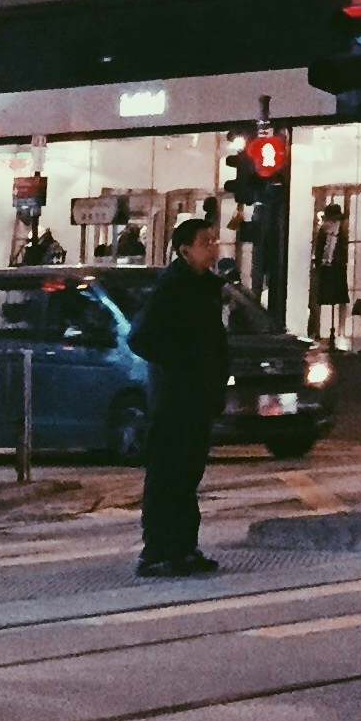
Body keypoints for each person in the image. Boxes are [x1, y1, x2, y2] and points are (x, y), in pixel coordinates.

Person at [128, 216, 230, 579]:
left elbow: (215, 345)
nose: (213, 248)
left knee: (188, 476)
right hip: (173, 400)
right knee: (166, 475)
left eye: (215, 241)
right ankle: (157, 550)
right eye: (206, 242)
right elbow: (139, 338)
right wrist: (181, 363)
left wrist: (215, 384)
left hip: (198, 399)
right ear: (185, 250)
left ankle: (184, 547)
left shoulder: (208, 289)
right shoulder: (171, 288)